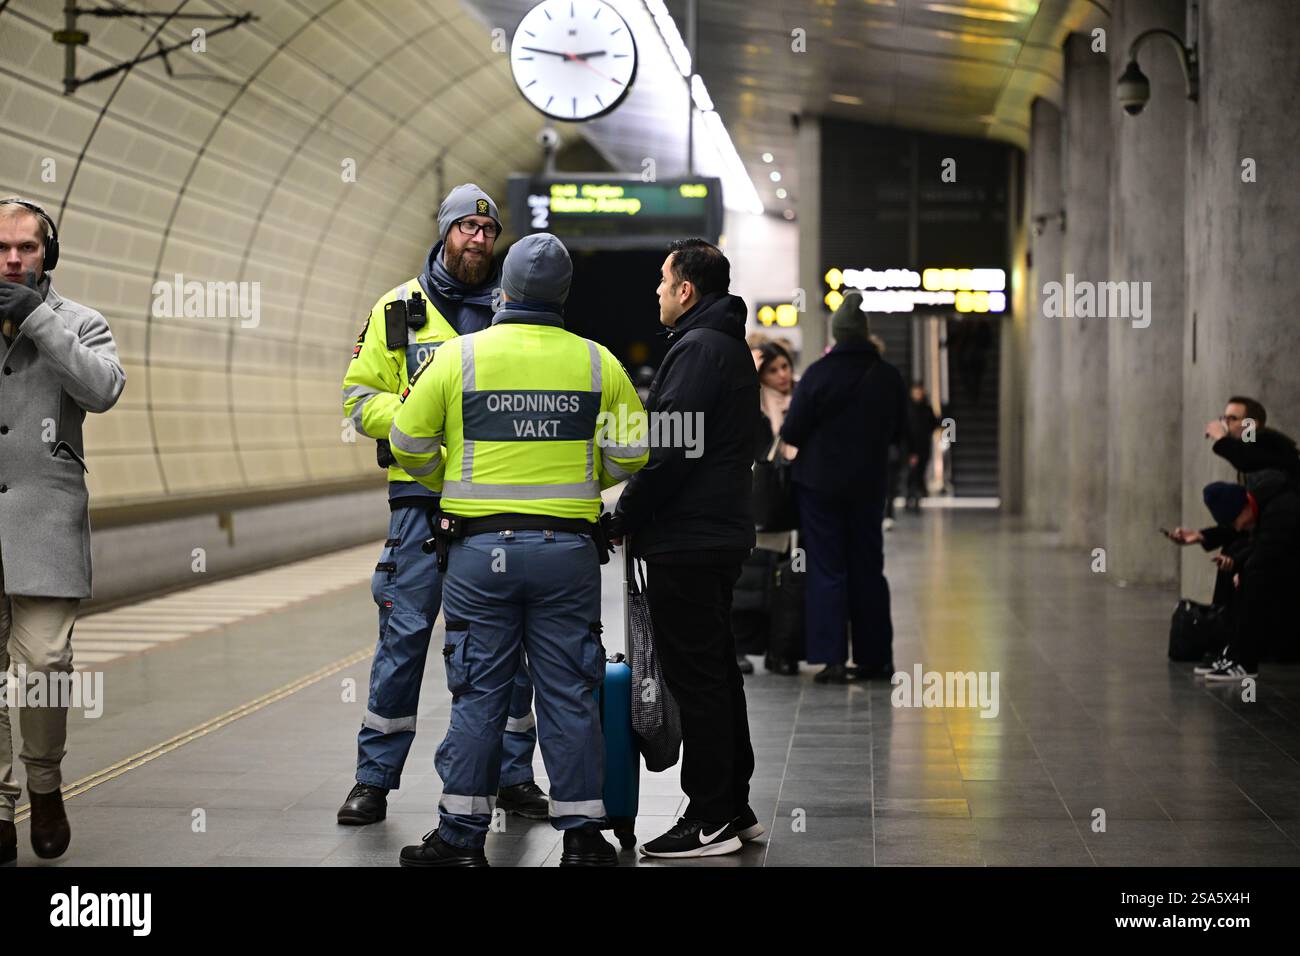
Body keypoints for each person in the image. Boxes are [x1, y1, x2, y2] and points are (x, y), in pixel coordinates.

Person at [390, 233, 647, 867]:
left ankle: (460, 839)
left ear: (503, 290)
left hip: (480, 554)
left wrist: (448, 475)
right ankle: (583, 840)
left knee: (479, 692)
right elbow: (633, 452)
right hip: (568, 553)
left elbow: (406, 440)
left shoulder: (460, 357)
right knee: (568, 691)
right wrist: (584, 478)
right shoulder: (597, 363)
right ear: (564, 296)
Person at [337, 185, 547, 827]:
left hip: (493, 505)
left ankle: (513, 776)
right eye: (466, 227)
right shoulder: (398, 309)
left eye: (488, 228)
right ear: (445, 232)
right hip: (420, 505)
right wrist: (414, 417)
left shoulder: (516, 311)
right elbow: (357, 400)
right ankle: (373, 780)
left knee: (504, 647)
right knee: (403, 638)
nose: (478, 237)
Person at [610, 238, 764, 858]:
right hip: (713, 535)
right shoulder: (722, 344)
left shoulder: (698, 349)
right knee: (717, 674)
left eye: (662, 281)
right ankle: (735, 805)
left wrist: (626, 510)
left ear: (686, 291)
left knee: (696, 680)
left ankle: (708, 816)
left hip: (690, 540)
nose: (655, 291)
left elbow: (671, 448)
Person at [0, 198, 126, 864]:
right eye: (1, 249)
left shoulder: (80, 324)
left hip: (44, 524)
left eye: (27, 248)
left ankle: (44, 784)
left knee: (45, 664)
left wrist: (37, 320)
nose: (13, 260)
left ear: (49, 253)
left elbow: (103, 390)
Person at [780, 292, 906, 684]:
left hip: (819, 486)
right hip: (869, 485)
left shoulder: (819, 373)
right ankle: (876, 658)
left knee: (827, 567)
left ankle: (831, 657)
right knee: (869, 566)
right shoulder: (887, 375)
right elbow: (902, 432)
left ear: (837, 333)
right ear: (865, 333)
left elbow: (793, 430)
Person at [1168, 473, 1300, 681]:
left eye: (1236, 521)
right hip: (1281, 556)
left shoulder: (1281, 506)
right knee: (1234, 557)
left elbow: (1269, 547)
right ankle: (1231, 647)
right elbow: (1257, 541)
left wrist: (1243, 569)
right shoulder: (1259, 501)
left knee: (1253, 574)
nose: (1238, 527)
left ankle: (1245, 660)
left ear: (1245, 507)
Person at [735, 341, 800, 676]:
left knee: (788, 580)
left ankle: (782, 649)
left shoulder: (802, 401)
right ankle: (744, 646)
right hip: (760, 502)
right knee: (753, 578)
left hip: (794, 503)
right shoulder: (753, 404)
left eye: (785, 367)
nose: (782, 375)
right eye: (773, 370)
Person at [905, 382, 940, 512]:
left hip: (924, 447)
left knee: (920, 474)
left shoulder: (927, 408)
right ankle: (910, 499)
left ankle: (917, 500)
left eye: (920, 391)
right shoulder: (907, 409)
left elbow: (935, 423)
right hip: (911, 448)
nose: (918, 394)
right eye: (916, 391)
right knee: (912, 475)